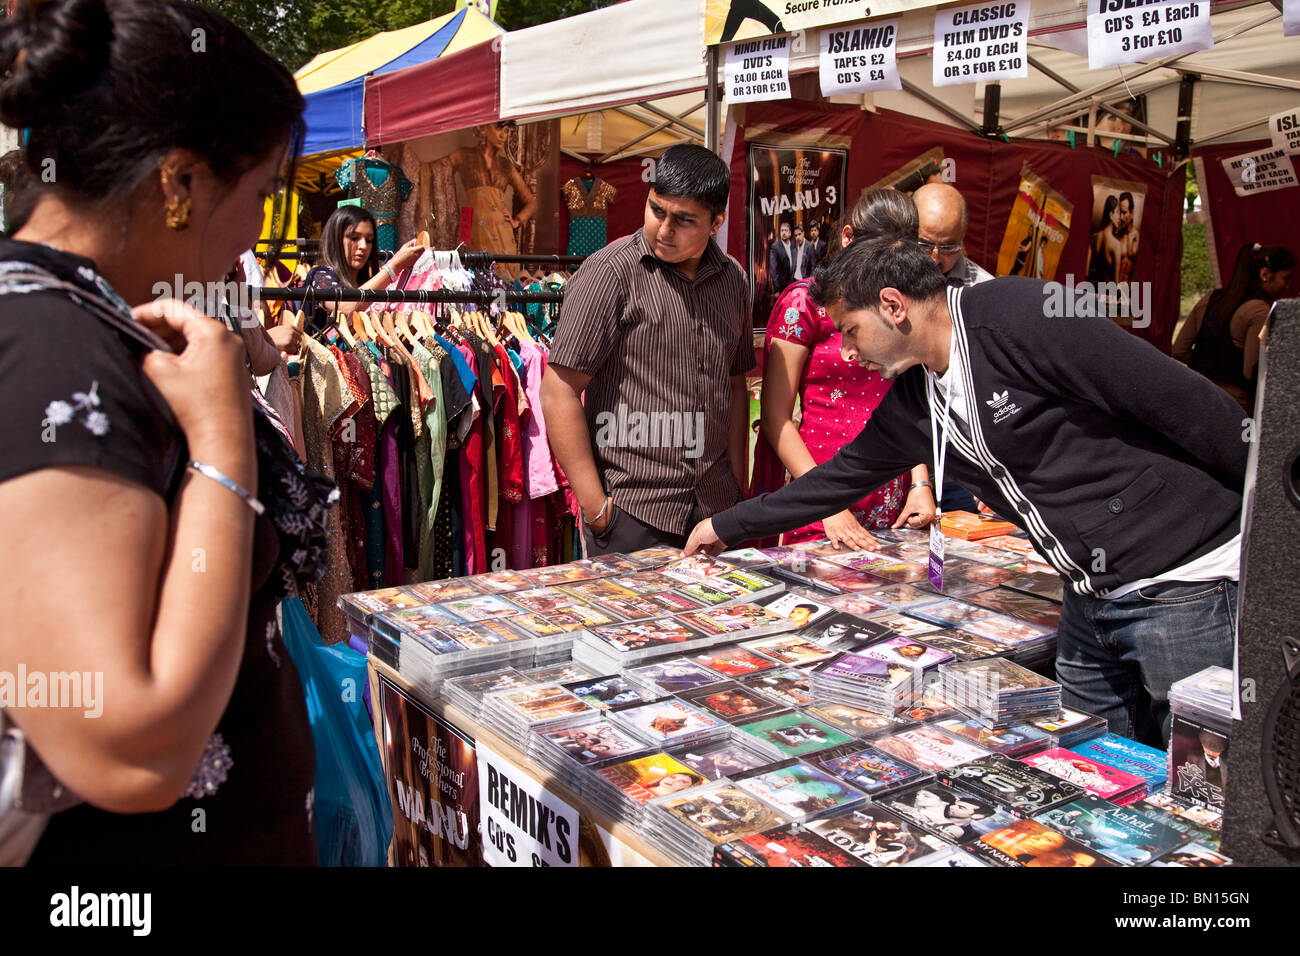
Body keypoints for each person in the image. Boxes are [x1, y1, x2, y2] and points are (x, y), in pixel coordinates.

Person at [0, 0, 333, 865]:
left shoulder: (83, 322)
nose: (257, 231)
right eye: (258, 193)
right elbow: (129, 744)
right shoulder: (55, 351)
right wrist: (224, 447)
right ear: (180, 183)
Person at [686, 237, 1249, 748]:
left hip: (1185, 583)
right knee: (1096, 775)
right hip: (1087, 595)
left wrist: (1270, 515)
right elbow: (838, 478)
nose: (849, 352)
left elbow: (1184, 403)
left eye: (850, 331)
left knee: (1210, 787)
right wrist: (724, 527)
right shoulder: (914, 398)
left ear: (893, 304)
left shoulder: (1020, 315)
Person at [541, 144, 753, 556]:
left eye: (684, 220)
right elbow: (558, 388)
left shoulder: (733, 280)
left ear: (716, 222)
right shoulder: (610, 273)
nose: (664, 229)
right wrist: (597, 509)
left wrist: (736, 486)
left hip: (714, 510)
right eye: (657, 210)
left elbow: (736, 382)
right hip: (634, 513)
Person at [756, 188, 936, 548]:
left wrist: (920, 483)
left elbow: (909, 403)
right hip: (821, 494)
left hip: (893, 500)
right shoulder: (805, 304)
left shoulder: (895, 303)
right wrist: (825, 502)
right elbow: (776, 419)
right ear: (848, 237)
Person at [1173, 242, 1295, 414]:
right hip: (1234, 408)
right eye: (1286, 278)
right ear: (1265, 274)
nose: (1288, 286)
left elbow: (1179, 350)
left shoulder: (1210, 299)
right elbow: (1251, 372)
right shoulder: (1258, 310)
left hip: (1198, 397)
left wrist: (1208, 368)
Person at [450, 120, 537, 278]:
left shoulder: (505, 165)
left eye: (506, 131)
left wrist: (517, 220)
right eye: (498, 128)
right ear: (484, 127)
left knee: (502, 291)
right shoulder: (464, 156)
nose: (503, 135)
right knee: (476, 285)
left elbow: (532, 202)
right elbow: (436, 171)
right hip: (474, 230)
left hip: (502, 235)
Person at [317, 204, 424, 311]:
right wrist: (394, 266)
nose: (363, 246)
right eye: (354, 238)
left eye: (369, 240)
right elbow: (344, 308)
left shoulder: (368, 281)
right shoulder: (320, 276)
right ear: (336, 240)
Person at [913, 182, 994, 288]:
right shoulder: (886, 273)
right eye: (924, 245)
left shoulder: (983, 291)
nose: (934, 259)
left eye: (947, 248)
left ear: (961, 240)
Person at [768, 221, 796, 292]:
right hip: (781, 288)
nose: (783, 233)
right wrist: (777, 289)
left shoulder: (794, 246)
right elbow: (774, 270)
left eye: (786, 231)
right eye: (782, 231)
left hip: (792, 286)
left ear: (790, 233)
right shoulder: (775, 247)